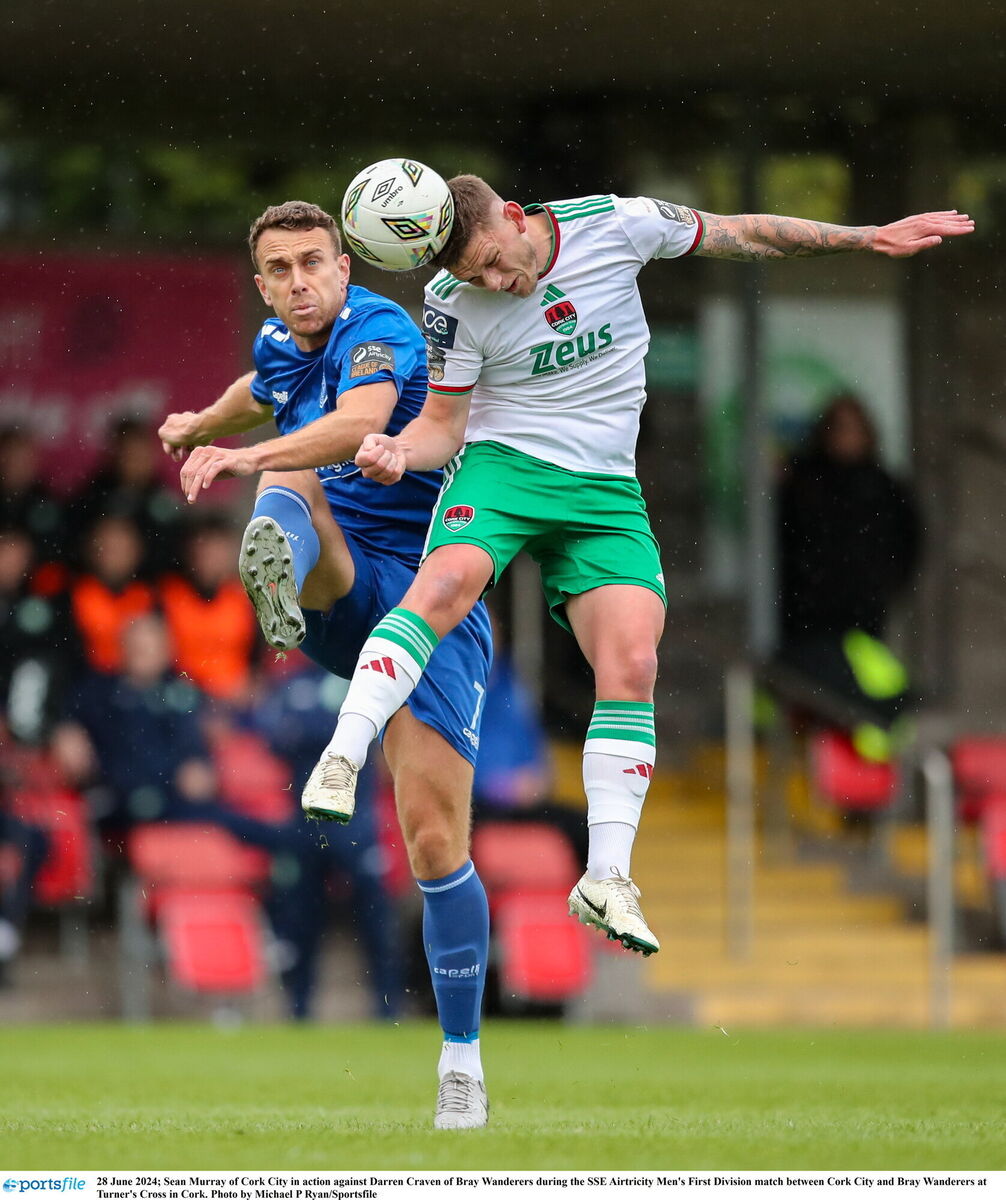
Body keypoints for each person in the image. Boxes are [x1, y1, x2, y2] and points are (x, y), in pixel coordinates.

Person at [310, 177, 973, 963]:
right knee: (447, 584)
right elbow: (443, 427)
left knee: (633, 660)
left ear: (517, 219)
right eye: (478, 275)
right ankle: (345, 751)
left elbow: (743, 230)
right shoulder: (452, 297)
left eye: (495, 261)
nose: (496, 282)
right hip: (506, 467)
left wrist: (865, 236)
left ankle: (609, 876)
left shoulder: (620, 225)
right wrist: (396, 450)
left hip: (604, 489)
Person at [156, 202, 493, 1130]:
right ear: (262, 282)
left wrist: (239, 452)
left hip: (431, 599)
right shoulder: (279, 339)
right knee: (289, 484)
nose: (299, 282)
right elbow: (255, 384)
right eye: (280, 269)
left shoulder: (378, 328)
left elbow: (358, 421)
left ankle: (460, 1063)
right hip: (347, 583)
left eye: (314, 263)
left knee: (433, 842)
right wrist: (197, 423)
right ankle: (284, 581)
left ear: (345, 268)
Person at [775, 391, 921, 755]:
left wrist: (884, 586)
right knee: (817, 696)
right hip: (810, 620)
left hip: (864, 621)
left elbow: (909, 544)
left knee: (866, 700)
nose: (847, 438)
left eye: (855, 429)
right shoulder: (804, 482)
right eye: (840, 429)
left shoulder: (884, 487)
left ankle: (861, 782)